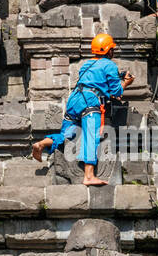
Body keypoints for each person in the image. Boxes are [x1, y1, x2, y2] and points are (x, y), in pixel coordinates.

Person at [31, 33, 134, 187]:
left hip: (74, 99)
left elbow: (95, 78)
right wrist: (126, 82)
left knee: (68, 134)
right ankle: (89, 175)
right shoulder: (110, 65)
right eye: (112, 49)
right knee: (91, 136)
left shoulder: (86, 65)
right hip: (90, 101)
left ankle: (42, 144)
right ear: (108, 51)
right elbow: (116, 92)